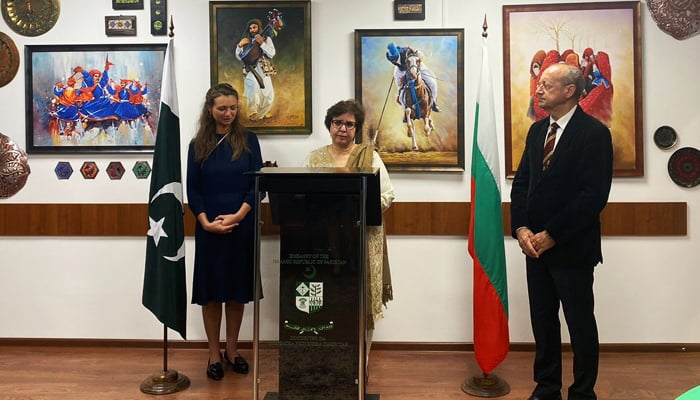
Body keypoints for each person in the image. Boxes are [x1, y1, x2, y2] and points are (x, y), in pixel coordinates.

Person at [510, 63, 613, 400]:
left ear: (570, 91)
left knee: (579, 323)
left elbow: (593, 196)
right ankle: (547, 386)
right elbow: (522, 184)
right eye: (539, 84)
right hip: (534, 248)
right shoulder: (537, 131)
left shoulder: (595, 134)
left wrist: (552, 233)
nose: (538, 90)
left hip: (572, 247)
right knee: (543, 321)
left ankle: (583, 391)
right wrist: (522, 228)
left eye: (546, 85)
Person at [302, 99, 395, 353]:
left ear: (357, 128)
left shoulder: (369, 157)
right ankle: (332, 356)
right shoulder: (315, 158)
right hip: (326, 241)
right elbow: (304, 196)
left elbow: (387, 194)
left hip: (363, 238)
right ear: (329, 125)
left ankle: (361, 361)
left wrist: (360, 207)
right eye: (337, 123)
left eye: (349, 124)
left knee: (362, 300)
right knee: (330, 298)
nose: (343, 128)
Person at [186, 83, 264, 381]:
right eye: (222, 108)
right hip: (209, 229)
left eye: (233, 108)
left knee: (235, 294)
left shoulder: (249, 140)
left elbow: (257, 186)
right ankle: (214, 354)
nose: (229, 113)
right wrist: (206, 222)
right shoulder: (198, 144)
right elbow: (193, 188)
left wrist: (239, 215)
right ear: (210, 109)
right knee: (211, 296)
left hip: (241, 225)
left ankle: (232, 351)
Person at [235, 18, 276, 122]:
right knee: (252, 87)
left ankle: (261, 114)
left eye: (254, 27)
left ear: (259, 28)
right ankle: (252, 112)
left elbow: (271, 53)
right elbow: (240, 57)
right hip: (251, 70)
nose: (252, 30)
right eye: (250, 28)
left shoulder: (266, 39)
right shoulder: (247, 42)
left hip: (264, 70)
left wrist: (262, 43)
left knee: (269, 96)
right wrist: (239, 46)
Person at [385, 42, 440, 112]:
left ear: (397, 54)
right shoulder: (394, 61)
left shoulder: (406, 51)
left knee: (432, 82)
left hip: (414, 66)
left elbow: (421, 55)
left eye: (395, 59)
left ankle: (433, 102)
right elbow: (399, 68)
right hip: (402, 70)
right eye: (391, 60)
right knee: (399, 83)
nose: (393, 61)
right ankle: (403, 102)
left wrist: (417, 53)